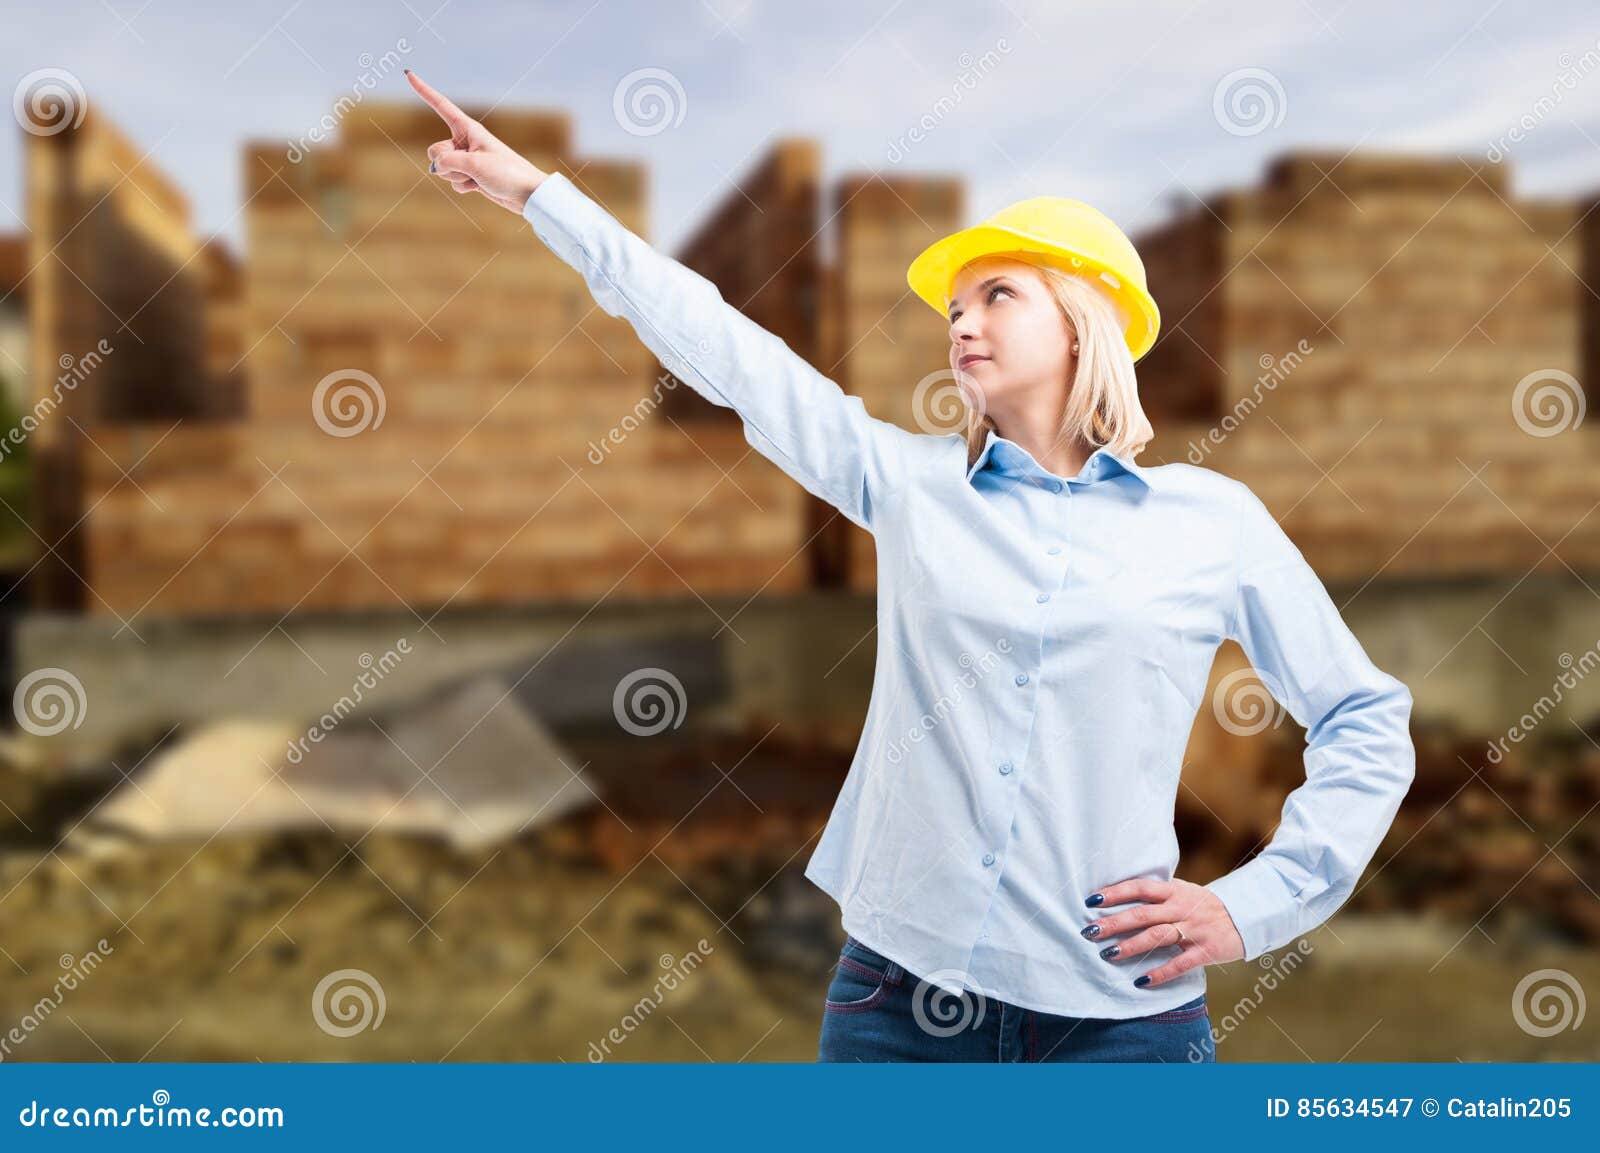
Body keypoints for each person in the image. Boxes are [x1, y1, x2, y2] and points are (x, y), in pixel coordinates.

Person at [407, 70, 1416, 1063]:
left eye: (997, 295)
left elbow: (1363, 716)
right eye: (954, 307)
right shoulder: (911, 487)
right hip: (900, 1007)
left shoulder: (1211, 523)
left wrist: (1255, 904)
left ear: (1080, 321)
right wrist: (539, 195)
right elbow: (726, 349)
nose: (961, 321)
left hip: (1122, 1024)